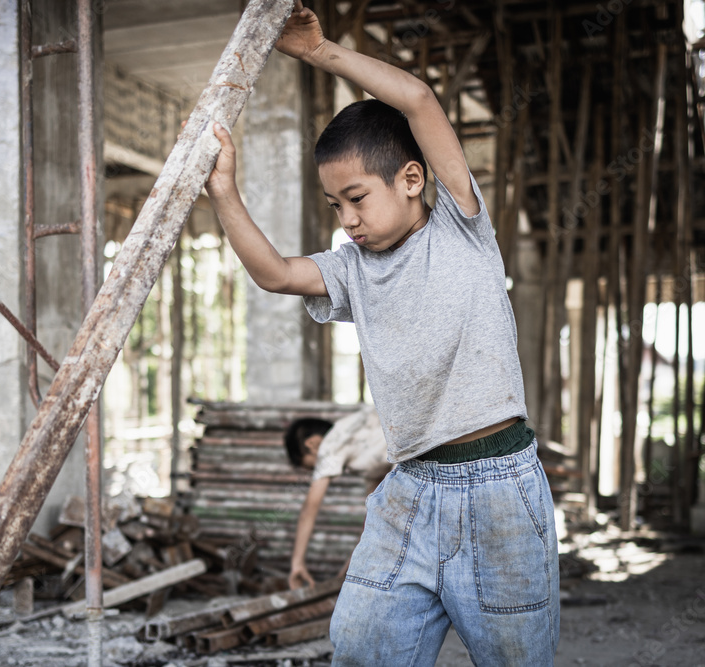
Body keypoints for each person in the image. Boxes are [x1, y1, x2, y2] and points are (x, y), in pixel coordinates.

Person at [203, 3, 559, 664]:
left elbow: (420, 101)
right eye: (335, 205)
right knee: (363, 643)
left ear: (413, 178)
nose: (347, 220)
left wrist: (320, 53)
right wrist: (224, 192)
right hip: (409, 492)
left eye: (358, 198)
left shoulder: (462, 226)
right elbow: (278, 274)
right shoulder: (352, 270)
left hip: (499, 491)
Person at [283, 407, 392, 590]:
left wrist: (297, 563)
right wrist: (350, 567)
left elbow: (310, 507)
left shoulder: (331, 442)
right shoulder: (370, 450)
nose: (316, 471)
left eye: (312, 467)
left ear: (311, 444)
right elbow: (373, 520)